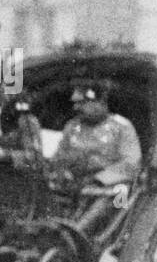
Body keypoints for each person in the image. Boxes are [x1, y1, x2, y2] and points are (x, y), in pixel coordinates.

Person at [52, 80, 141, 234]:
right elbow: (59, 156)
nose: (76, 108)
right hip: (75, 182)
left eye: (82, 103)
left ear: (100, 102)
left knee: (117, 193)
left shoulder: (121, 127)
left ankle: (76, 234)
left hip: (110, 186)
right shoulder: (72, 126)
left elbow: (131, 163)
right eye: (76, 103)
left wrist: (99, 179)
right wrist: (61, 171)